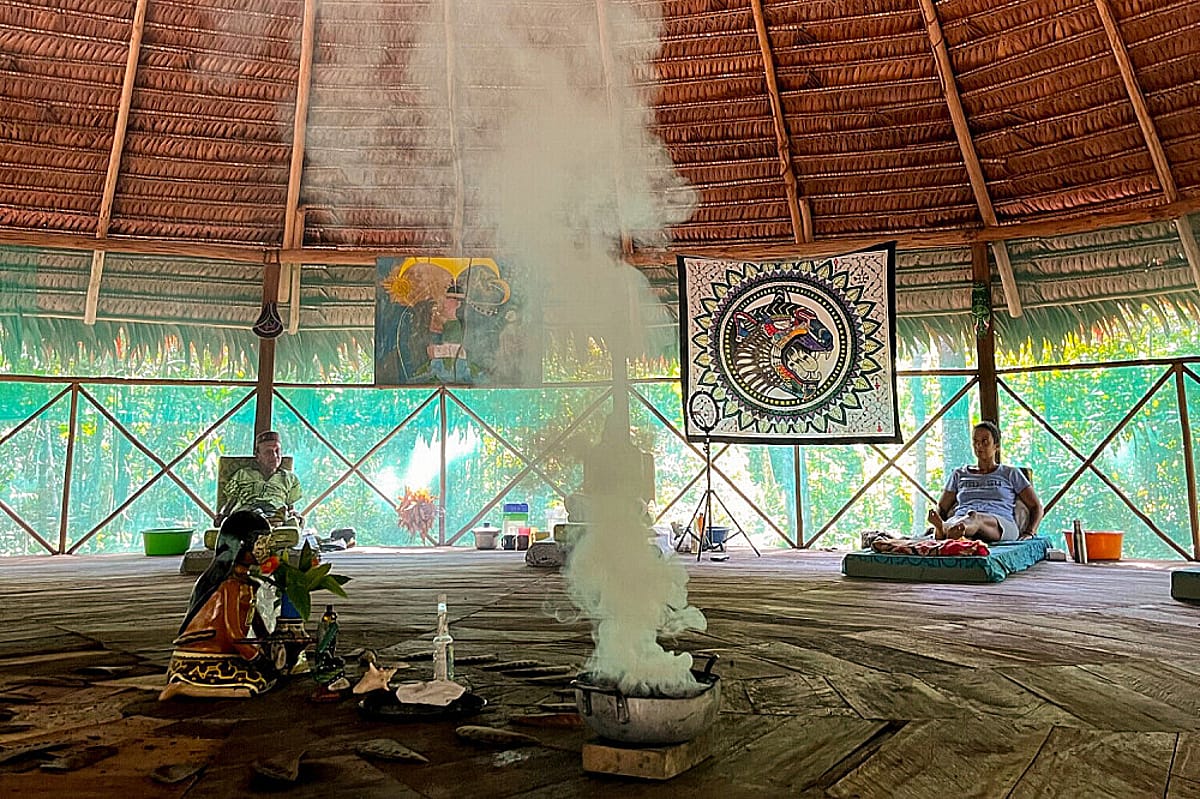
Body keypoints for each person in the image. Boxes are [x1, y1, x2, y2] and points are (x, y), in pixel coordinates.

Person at [160, 511, 281, 700]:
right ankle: (181, 686)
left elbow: (255, 621)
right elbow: (234, 634)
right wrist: (258, 659)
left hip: (226, 653)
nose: (266, 549)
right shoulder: (230, 585)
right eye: (260, 543)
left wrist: (270, 642)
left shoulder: (245, 582)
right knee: (255, 683)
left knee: (268, 678)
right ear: (240, 546)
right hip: (203, 655)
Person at [927, 420, 1044, 543]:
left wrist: (1030, 532)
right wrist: (941, 517)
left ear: (996, 446)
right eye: (975, 442)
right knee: (965, 528)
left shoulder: (1010, 473)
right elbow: (942, 506)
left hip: (999, 523)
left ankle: (945, 530)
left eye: (984, 442)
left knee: (975, 518)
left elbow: (1036, 507)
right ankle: (949, 530)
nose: (979, 446)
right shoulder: (959, 474)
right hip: (960, 517)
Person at [218, 430, 303, 527]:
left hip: (274, 512)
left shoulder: (289, 478)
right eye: (268, 452)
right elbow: (230, 501)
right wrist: (222, 514)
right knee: (250, 515)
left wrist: (294, 514)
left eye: (277, 451)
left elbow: (289, 506)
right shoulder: (243, 474)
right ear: (257, 456)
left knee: (285, 519)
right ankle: (265, 523)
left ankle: (271, 524)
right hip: (246, 513)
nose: (274, 456)